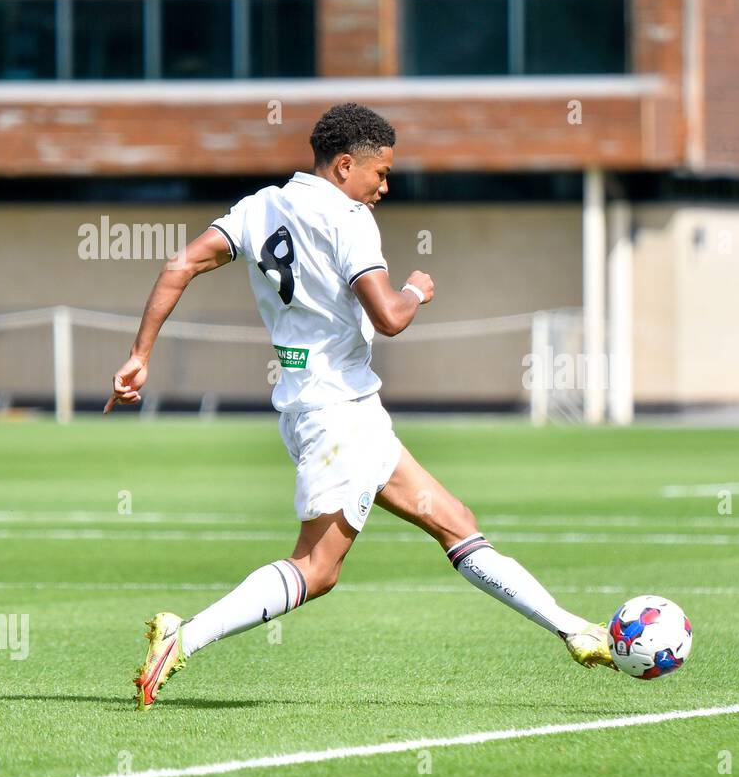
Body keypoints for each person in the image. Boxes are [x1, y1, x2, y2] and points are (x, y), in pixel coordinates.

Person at [107, 103, 617, 710]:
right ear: (345, 165)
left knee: (454, 520)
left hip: (338, 406)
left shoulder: (259, 206)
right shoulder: (349, 219)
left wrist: (140, 355)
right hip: (335, 415)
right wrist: (416, 290)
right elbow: (391, 318)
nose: (385, 186)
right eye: (380, 173)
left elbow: (179, 264)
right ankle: (183, 638)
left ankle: (573, 630)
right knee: (318, 569)